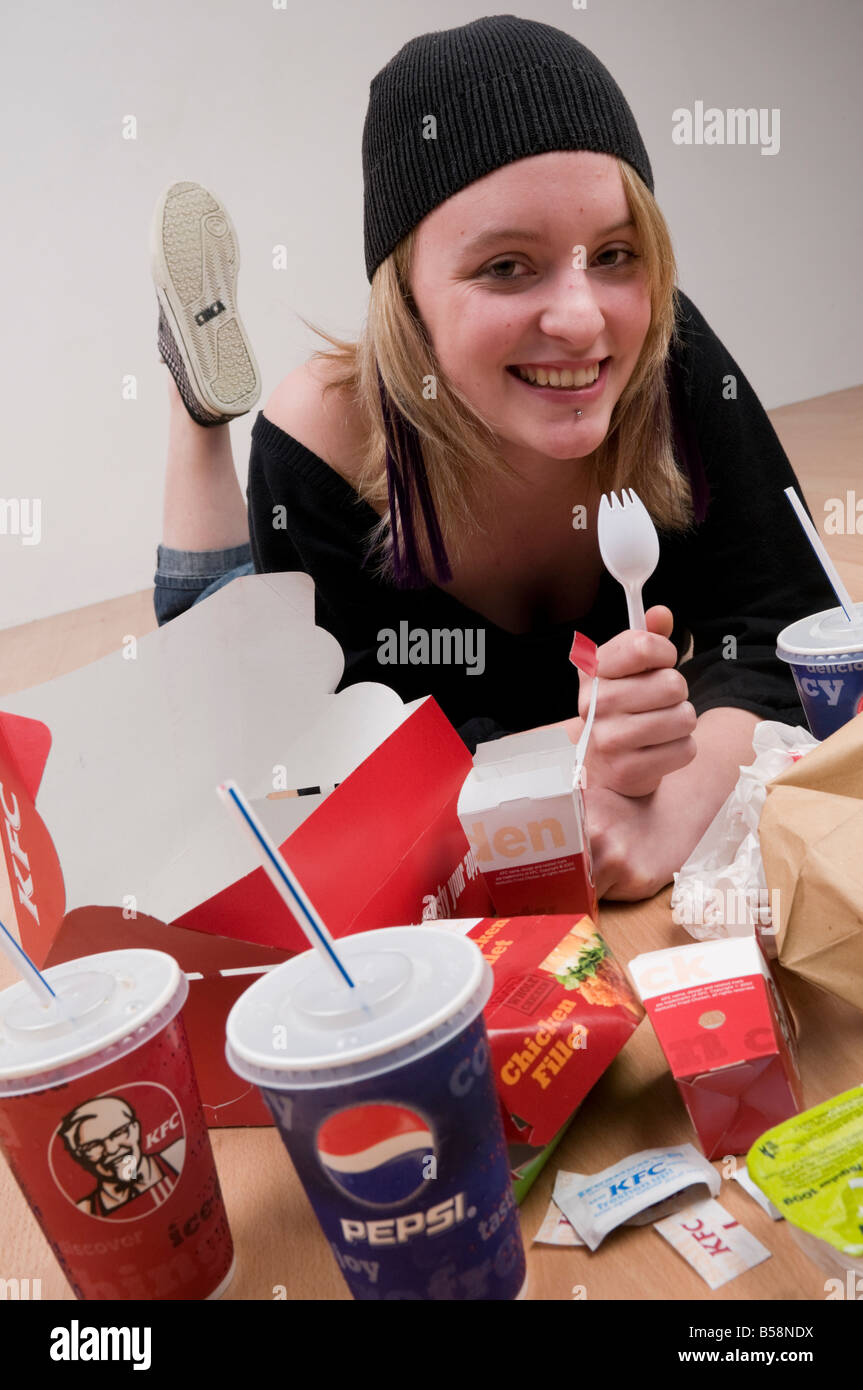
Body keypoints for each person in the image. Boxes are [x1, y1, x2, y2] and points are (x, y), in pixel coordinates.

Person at [150, 16, 834, 902]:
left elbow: (794, 628)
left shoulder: (667, 352)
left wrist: (674, 795)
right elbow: (339, 773)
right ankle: (194, 403)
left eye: (617, 254)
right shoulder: (317, 442)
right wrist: (580, 761)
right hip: (300, 659)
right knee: (219, 711)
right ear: (404, 294)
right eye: (508, 267)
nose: (585, 320)